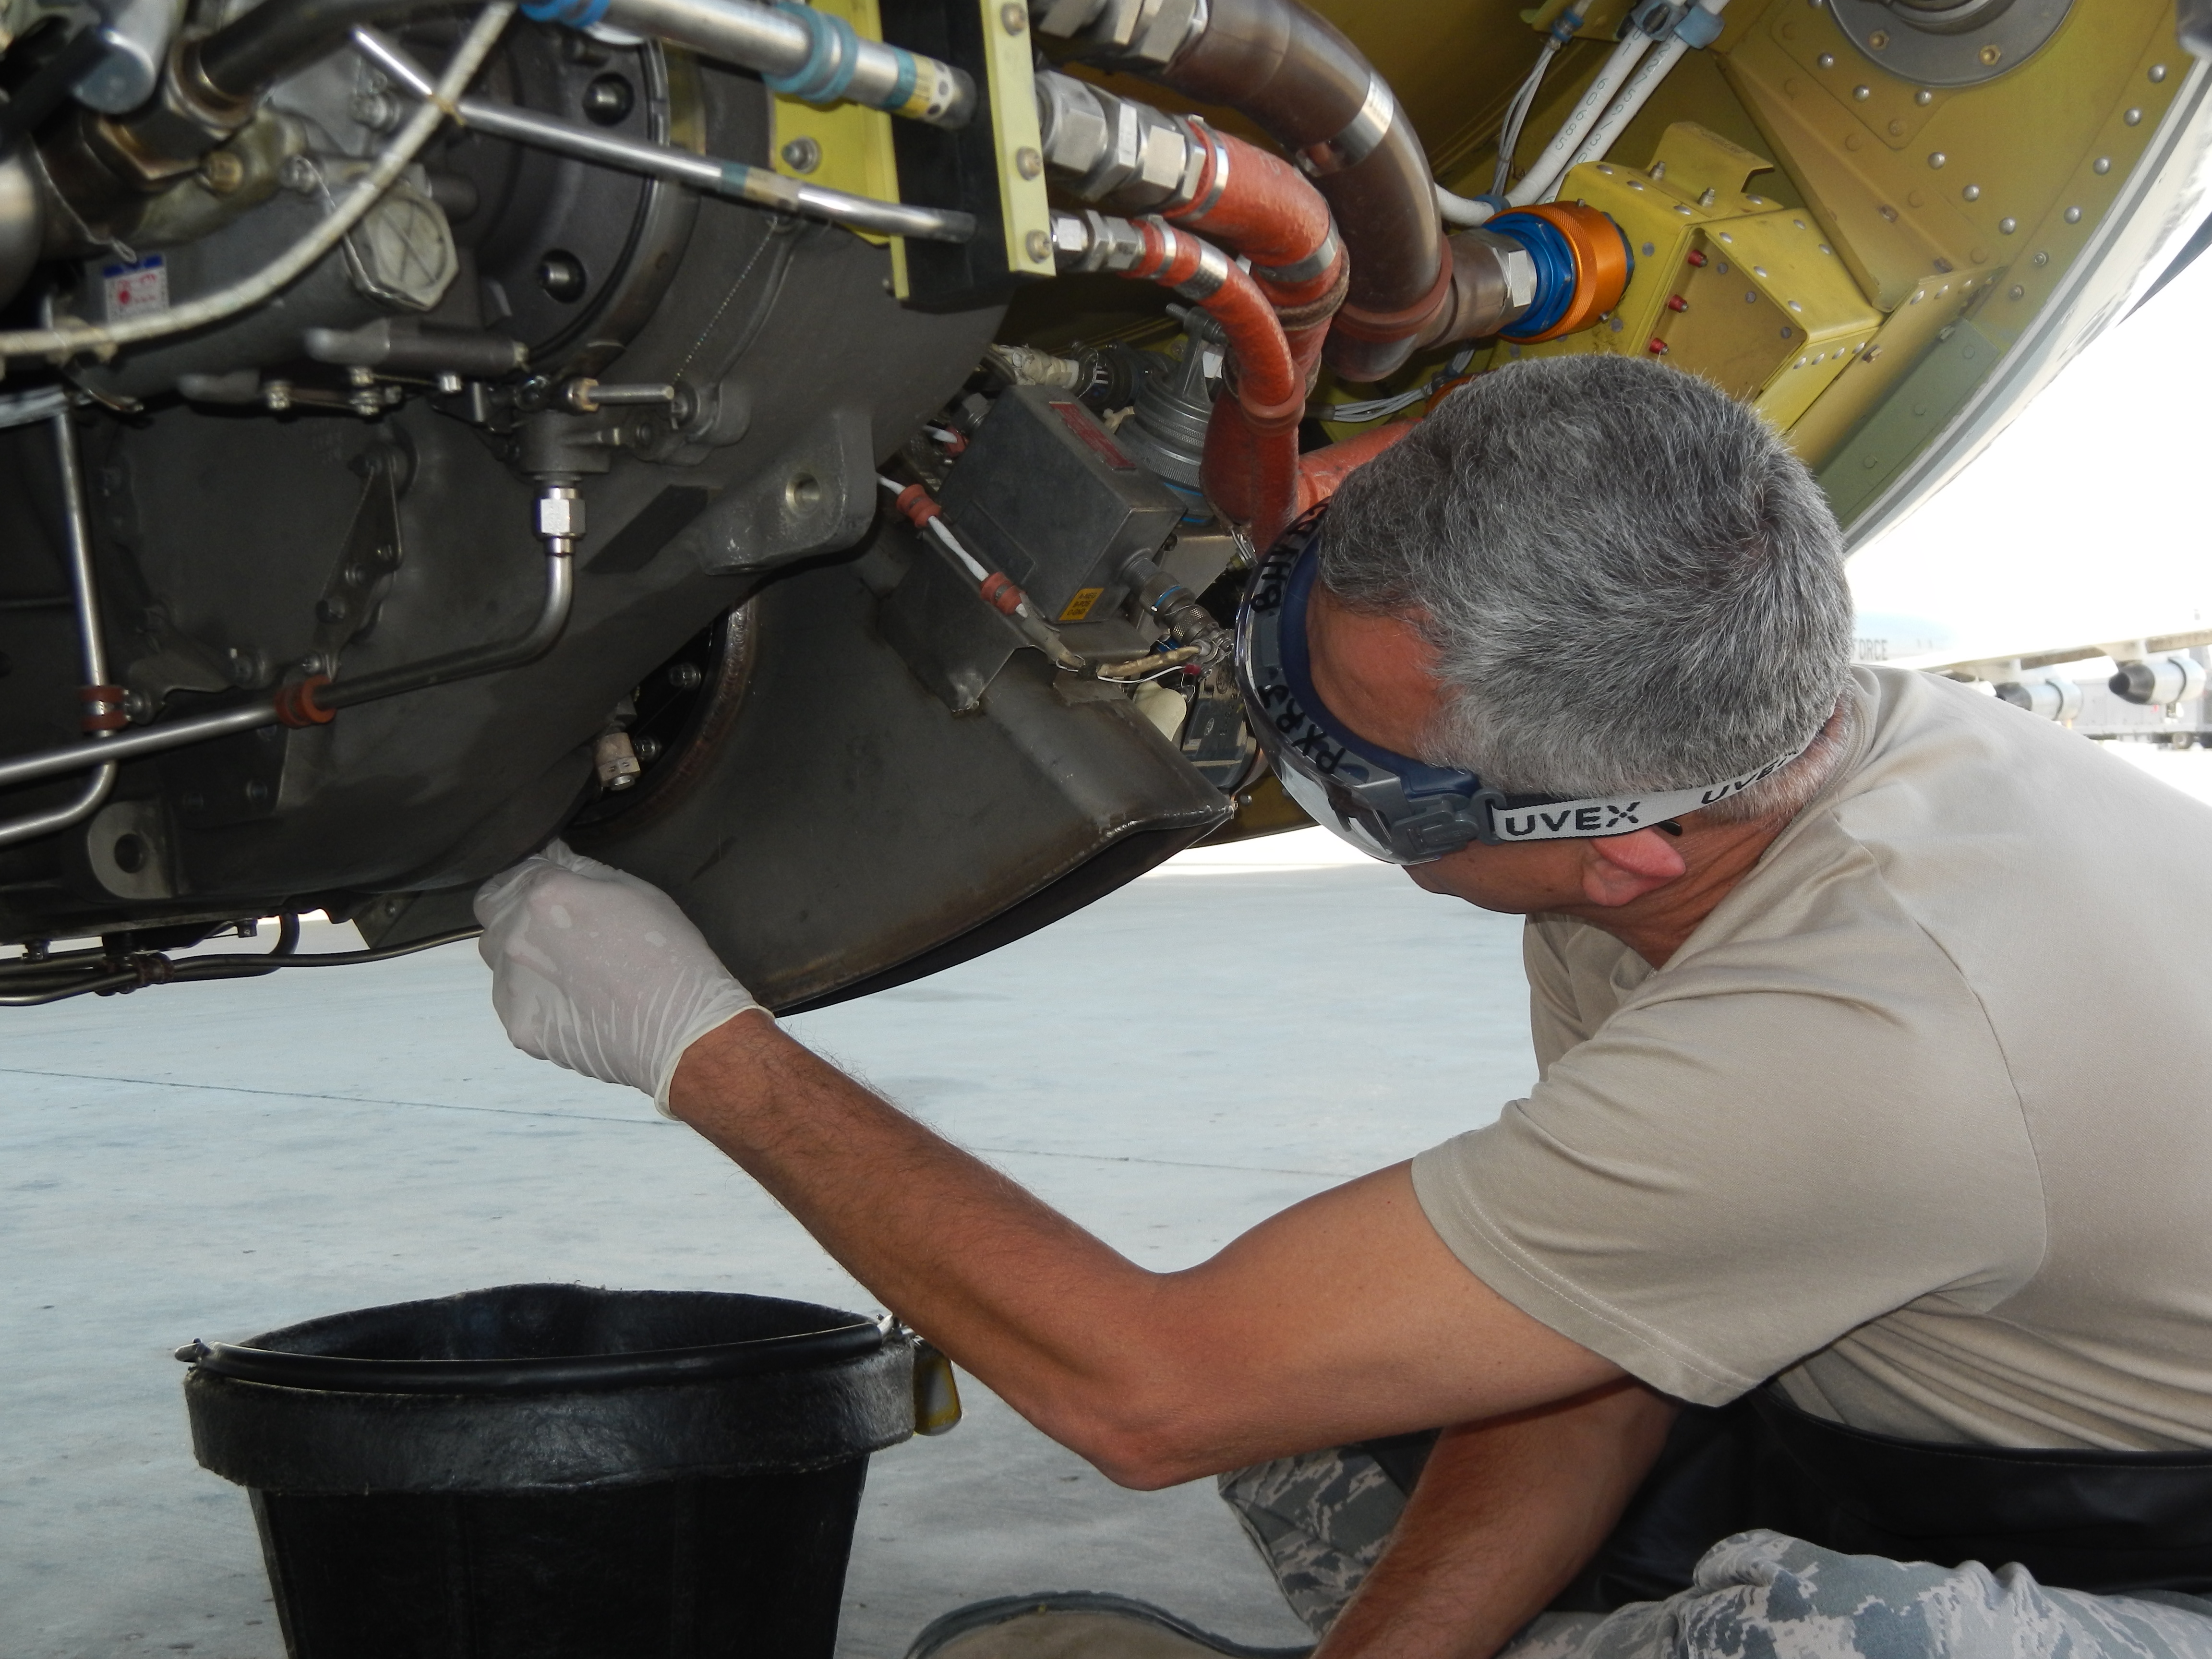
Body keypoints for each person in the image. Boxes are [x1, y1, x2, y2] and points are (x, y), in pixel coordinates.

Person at [473, 355, 2212, 1659]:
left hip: (2158, 1553)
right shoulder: (1710, 794)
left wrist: (701, 1045)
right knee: (1333, 1398)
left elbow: (1150, 1394)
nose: (1293, 749)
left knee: (1811, 1642)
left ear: (1610, 847)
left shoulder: (1861, 1038)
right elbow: (1605, 1331)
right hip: (1931, 1429)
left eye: (1362, 782)